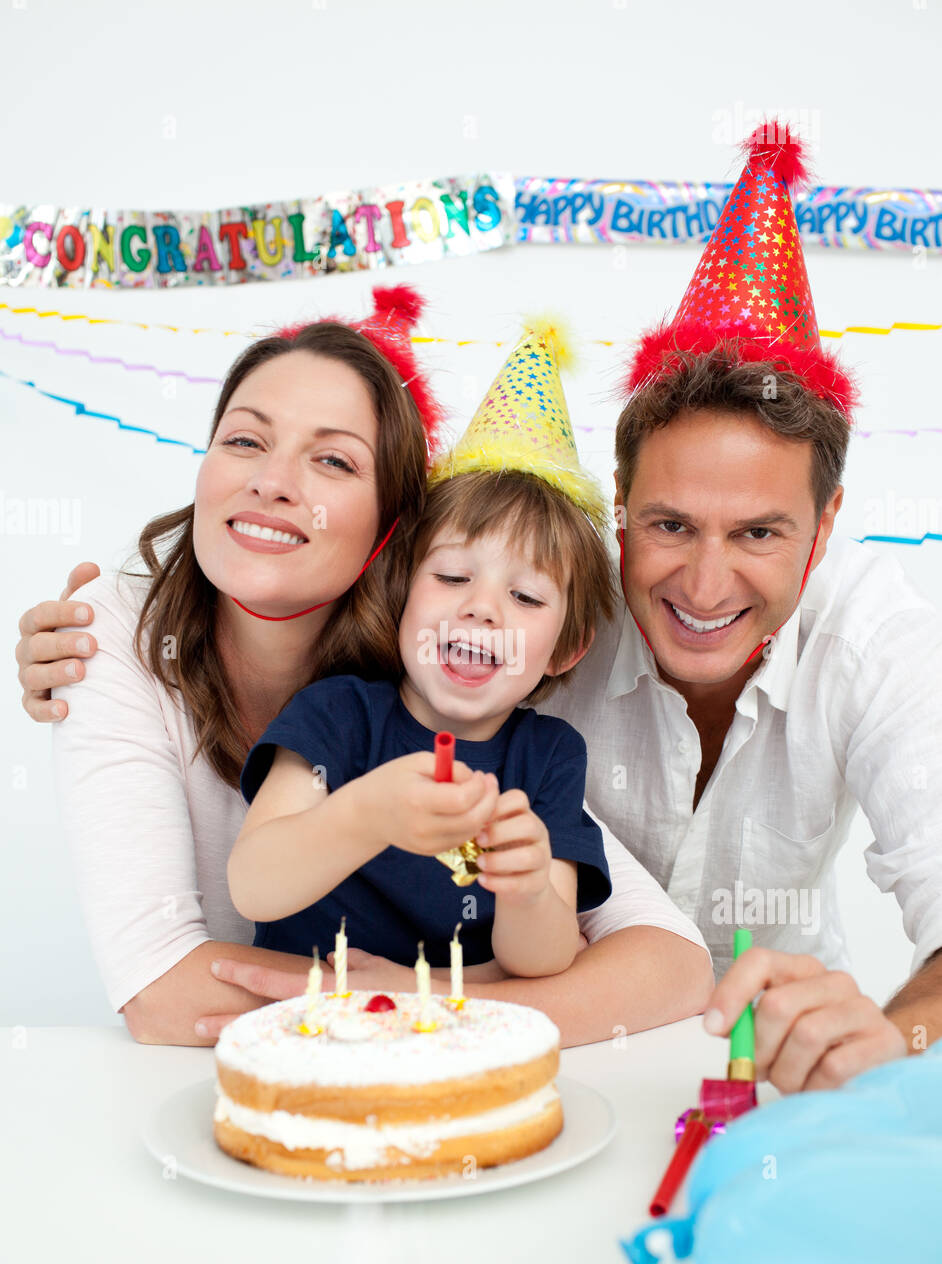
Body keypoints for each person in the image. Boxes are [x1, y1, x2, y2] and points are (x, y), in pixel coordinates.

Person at [15, 292, 713, 1047]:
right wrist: (462, 994)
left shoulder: (486, 715)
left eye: (333, 459)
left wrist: (454, 979)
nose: (274, 482)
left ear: (391, 535)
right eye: (246, 441)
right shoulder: (313, 701)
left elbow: (663, 966)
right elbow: (162, 990)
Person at [542, 125, 942, 1091]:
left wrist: (904, 1045)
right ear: (621, 499)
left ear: (826, 523)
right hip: (552, 1062)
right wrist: (134, 624)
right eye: (671, 525)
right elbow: (366, 640)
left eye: (759, 534)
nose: (707, 588)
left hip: (776, 1091)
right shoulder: (540, 597)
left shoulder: (877, 632)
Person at [229, 322, 620, 979]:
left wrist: (527, 893)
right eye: (452, 577)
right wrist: (368, 812)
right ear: (405, 588)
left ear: (566, 649)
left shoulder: (548, 756)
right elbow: (253, 884)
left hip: (453, 1044)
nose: (482, 608)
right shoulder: (340, 713)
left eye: (525, 598)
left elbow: (545, 961)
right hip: (306, 1035)